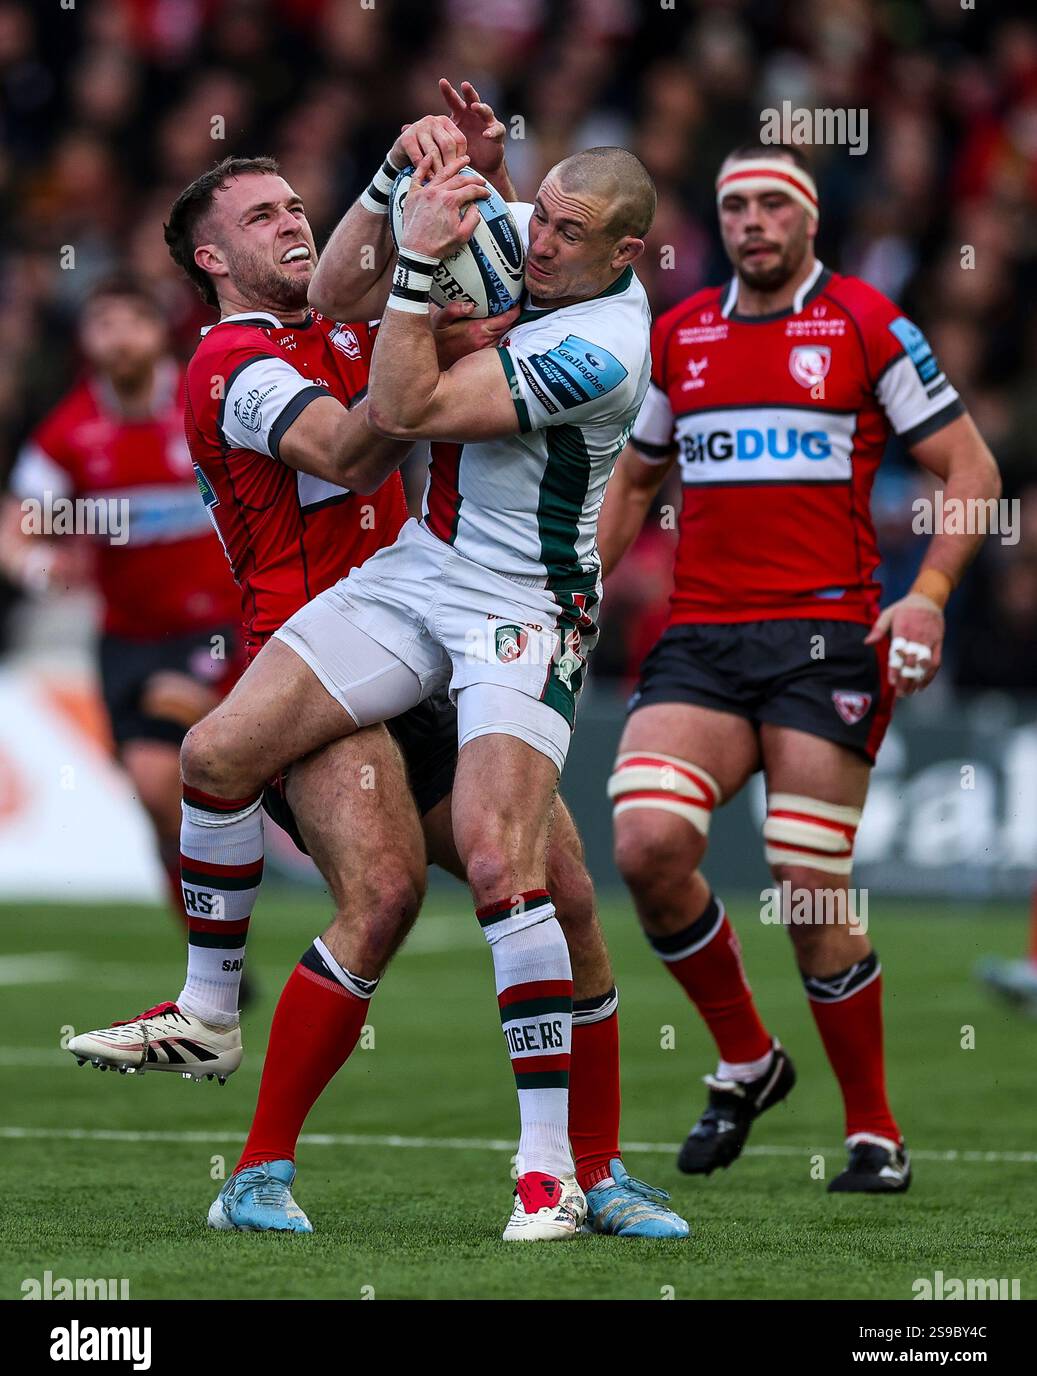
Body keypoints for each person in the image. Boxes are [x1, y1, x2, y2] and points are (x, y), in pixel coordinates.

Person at [69, 87, 686, 1243]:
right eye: (263, 218)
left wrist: (415, 208)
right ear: (213, 259)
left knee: (555, 891)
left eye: (299, 204)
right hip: (358, 613)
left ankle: (577, 1172)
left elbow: (376, 316)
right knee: (371, 880)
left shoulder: (557, 336)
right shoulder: (233, 364)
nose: (294, 225)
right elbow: (360, 446)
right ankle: (245, 1128)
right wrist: (419, 240)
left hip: (492, 610)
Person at [596, 140, 1001, 1194]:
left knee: (806, 885)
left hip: (826, 638)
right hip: (700, 639)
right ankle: (747, 1057)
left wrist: (926, 594)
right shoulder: (679, 336)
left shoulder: (868, 323)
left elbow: (969, 466)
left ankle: (873, 1132)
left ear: (809, 219)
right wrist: (578, 588)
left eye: (772, 203)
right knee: (644, 845)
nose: (751, 222)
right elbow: (635, 482)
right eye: (733, 206)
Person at [0, 277, 243, 930]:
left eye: (128, 321)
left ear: (156, 330)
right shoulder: (72, 433)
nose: (116, 337)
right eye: (101, 324)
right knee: (152, 792)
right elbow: (17, 527)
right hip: (126, 638)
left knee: (169, 756)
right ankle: (205, 934)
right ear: (87, 340)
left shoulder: (205, 403)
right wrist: (43, 566)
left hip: (217, 628)